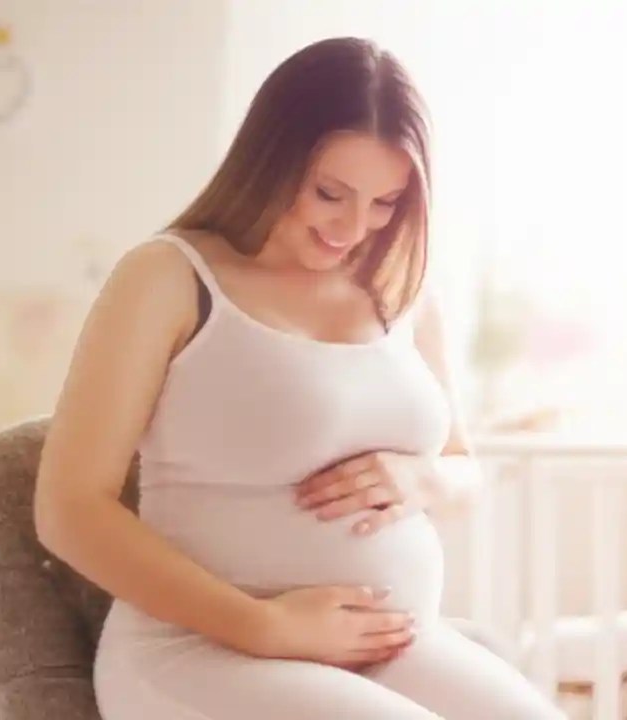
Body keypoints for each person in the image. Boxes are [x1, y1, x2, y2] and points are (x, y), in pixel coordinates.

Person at [35, 37, 563, 719]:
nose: (353, 227)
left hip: (392, 647)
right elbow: (69, 509)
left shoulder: (399, 287)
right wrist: (266, 625)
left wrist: (421, 478)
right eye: (330, 193)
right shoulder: (169, 278)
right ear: (271, 160)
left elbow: (463, 468)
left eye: (384, 202)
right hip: (203, 652)